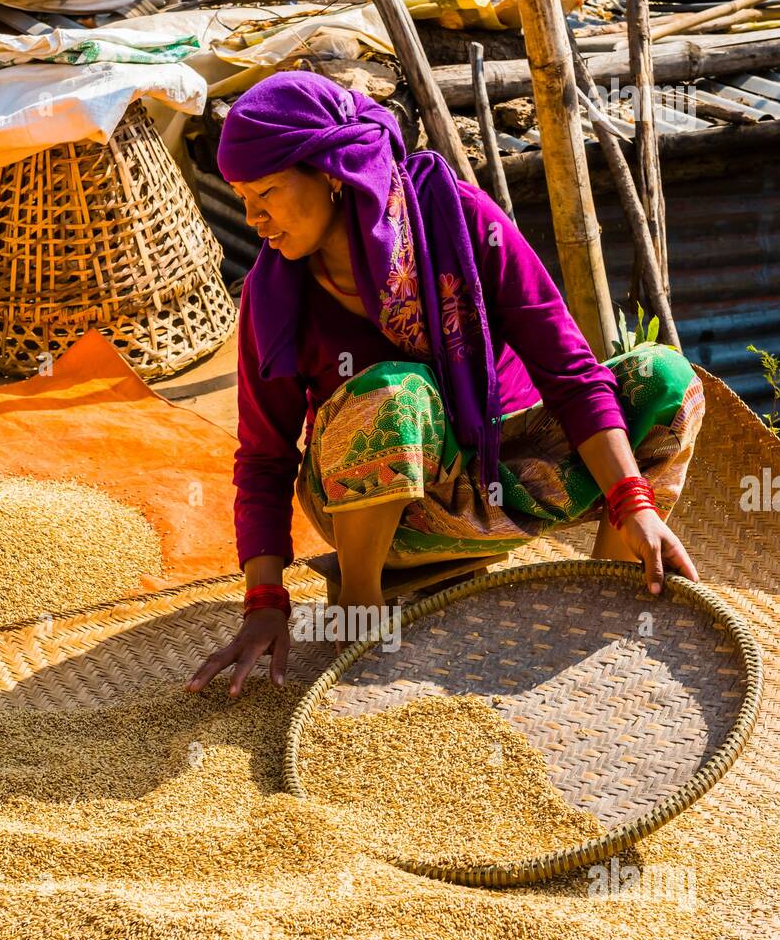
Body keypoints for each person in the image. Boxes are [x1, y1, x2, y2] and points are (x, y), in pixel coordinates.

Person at [188, 71, 704, 700]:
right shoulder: (275, 296)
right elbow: (264, 458)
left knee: (664, 377)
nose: (252, 218)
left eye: (266, 191)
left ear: (332, 173)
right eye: (241, 198)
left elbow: (571, 373)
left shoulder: (459, 220)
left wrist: (633, 502)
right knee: (393, 392)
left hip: (507, 482)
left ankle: (607, 595)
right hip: (385, 516)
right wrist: (265, 601)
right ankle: (360, 612)